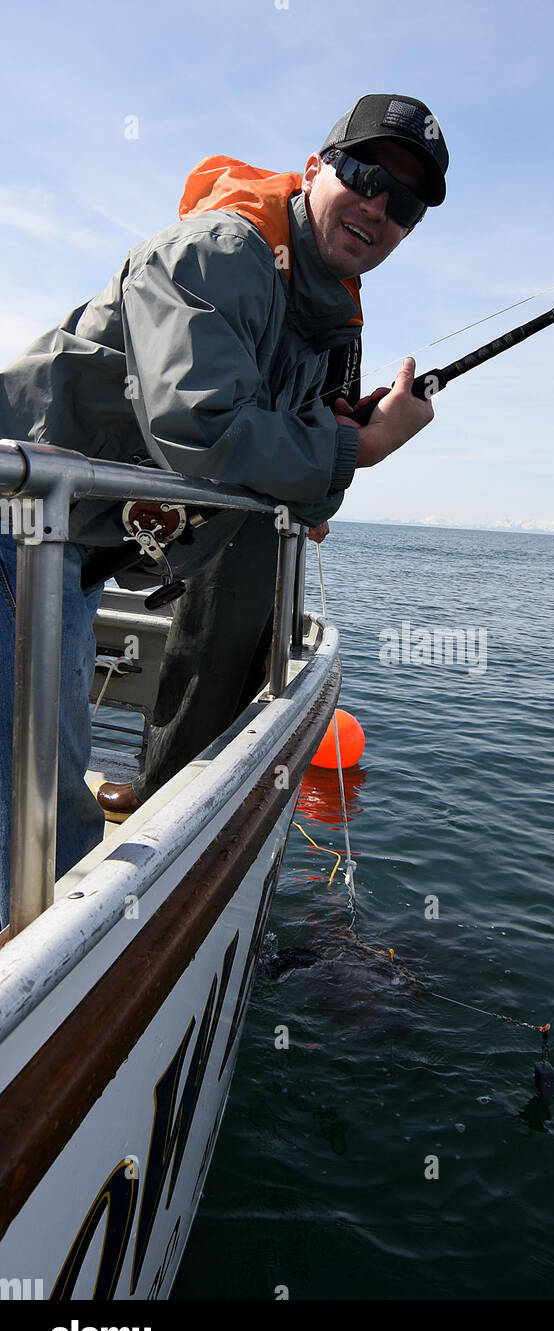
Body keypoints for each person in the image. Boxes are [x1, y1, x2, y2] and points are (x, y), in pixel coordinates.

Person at [0, 93, 449, 923]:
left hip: (73, 548)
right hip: (19, 523)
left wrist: (329, 458)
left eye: (406, 205)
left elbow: (290, 472)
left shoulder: (320, 318)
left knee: (45, 817)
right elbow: (201, 428)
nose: (379, 207)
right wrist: (357, 449)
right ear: (314, 170)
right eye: (364, 175)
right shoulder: (222, 250)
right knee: (39, 841)